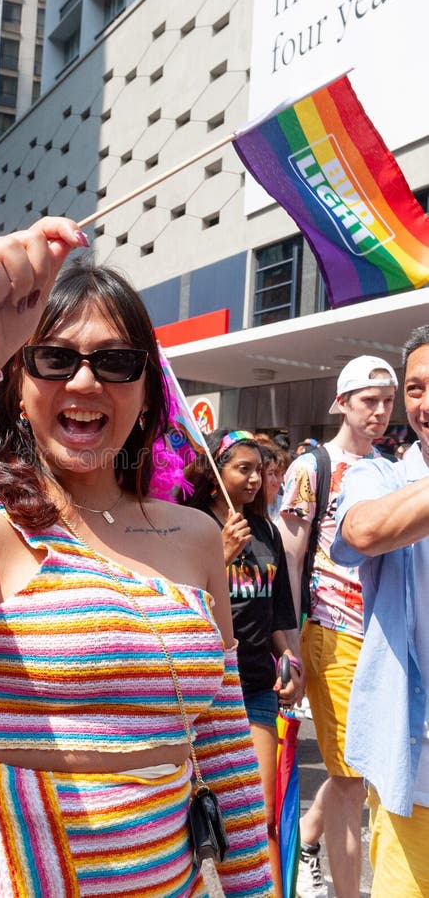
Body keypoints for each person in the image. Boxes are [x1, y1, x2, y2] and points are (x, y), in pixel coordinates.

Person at [0, 219, 273, 897]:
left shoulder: (194, 533)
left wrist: (253, 887)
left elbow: (221, 743)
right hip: (7, 874)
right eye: (54, 358)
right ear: (19, 380)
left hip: (166, 880)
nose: (84, 382)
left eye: (115, 361)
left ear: (145, 390)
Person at [276, 355, 397, 898]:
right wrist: (292, 643)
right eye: (368, 400)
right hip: (334, 629)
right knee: (352, 778)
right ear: (342, 403)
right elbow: (292, 555)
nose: (379, 411)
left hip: (384, 636)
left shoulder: (392, 468)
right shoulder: (312, 467)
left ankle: (306, 837)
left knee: (359, 766)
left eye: (387, 401)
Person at [181, 428, 304, 897]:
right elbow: (178, 597)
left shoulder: (267, 529)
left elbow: (275, 610)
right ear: (215, 476)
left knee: (258, 814)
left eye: (260, 470)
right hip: (201, 686)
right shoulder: (188, 525)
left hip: (254, 686)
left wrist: (288, 656)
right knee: (198, 813)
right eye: (243, 469)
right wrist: (221, 552)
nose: (256, 479)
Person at [332, 326, 429, 897]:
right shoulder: (380, 473)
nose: (425, 404)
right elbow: (365, 530)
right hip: (414, 765)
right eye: (415, 388)